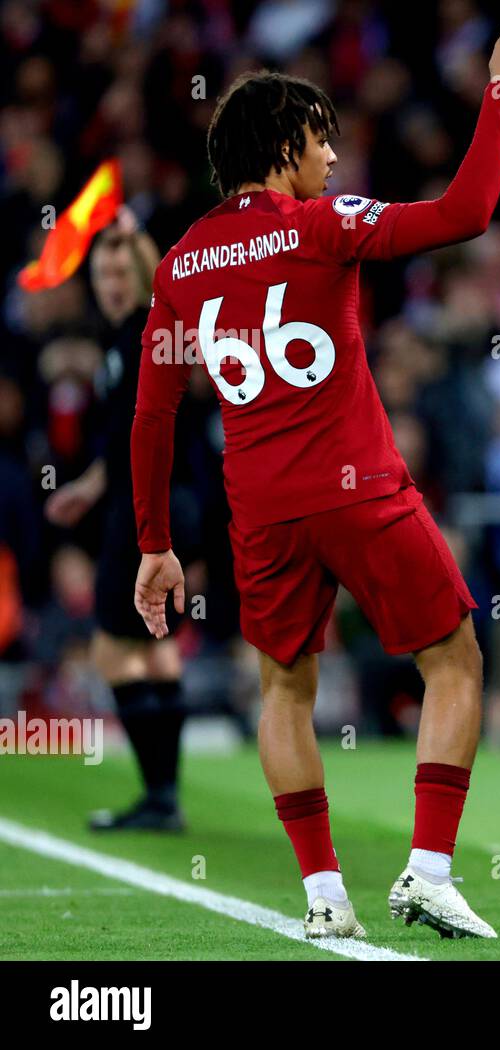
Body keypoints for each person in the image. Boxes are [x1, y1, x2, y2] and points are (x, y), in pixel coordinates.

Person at [131, 14, 500, 940]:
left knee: (284, 688)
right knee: (454, 660)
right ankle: (430, 871)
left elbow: (153, 413)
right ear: (284, 146)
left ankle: (324, 898)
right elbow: (467, 214)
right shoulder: (323, 227)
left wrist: (155, 544)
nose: (332, 160)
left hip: (263, 511)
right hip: (360, 490)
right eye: (322, 141)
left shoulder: (179, 265)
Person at [45, 209, 193, 832]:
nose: (110, 281)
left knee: (112, 650)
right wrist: (86, 487)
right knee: (156, 654)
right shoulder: (123, 339)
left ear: (140, 275)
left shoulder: (146, 331)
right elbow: (122, 438)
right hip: (152, 502)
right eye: (101, 271)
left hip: (144, 514)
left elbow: (149, 433)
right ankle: (163, 798)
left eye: (120, 270)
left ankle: (160, 796)